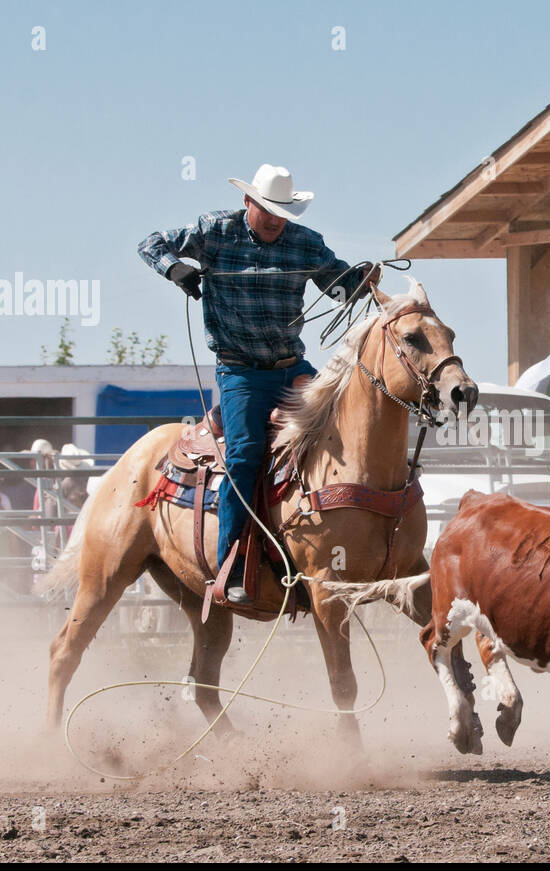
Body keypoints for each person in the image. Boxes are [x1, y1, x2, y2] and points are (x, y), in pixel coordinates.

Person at [138, 164, 378, 604]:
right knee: (245, 455)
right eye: (267, 209)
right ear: (248, 203)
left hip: (292, 367)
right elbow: (151, 244)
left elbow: (338, 286)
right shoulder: (215, 231)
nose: (274, 219)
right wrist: (176, 270)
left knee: (341, 436)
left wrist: (360, 283)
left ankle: (332, 550)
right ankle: (231, 561)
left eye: (282, 212)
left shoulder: (305, 243)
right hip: (241, 372)